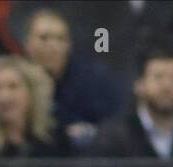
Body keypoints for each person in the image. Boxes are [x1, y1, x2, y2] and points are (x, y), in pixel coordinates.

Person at [21, 7, 122, 148]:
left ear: (69, 45)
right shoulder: (14, 81)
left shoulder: (93, 81)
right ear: (28, 43)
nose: (53, 46)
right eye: (44, 38)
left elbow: (114, 125)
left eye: (60, 39)